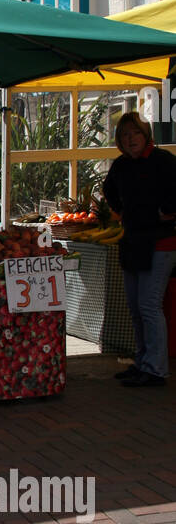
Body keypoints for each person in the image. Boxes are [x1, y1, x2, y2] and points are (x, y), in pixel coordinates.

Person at [103, 111, 176, 388]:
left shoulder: (164, 161)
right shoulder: (121, 165)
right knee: (135, 306)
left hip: (161, 243)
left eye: (135, 133)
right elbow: (109, 189)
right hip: (133, 241)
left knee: (148, 305)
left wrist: (166, 212)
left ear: (146, 136)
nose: (130, 139)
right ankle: (142, 361)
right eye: (124, 135)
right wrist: (123, 212)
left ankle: (156, 369)